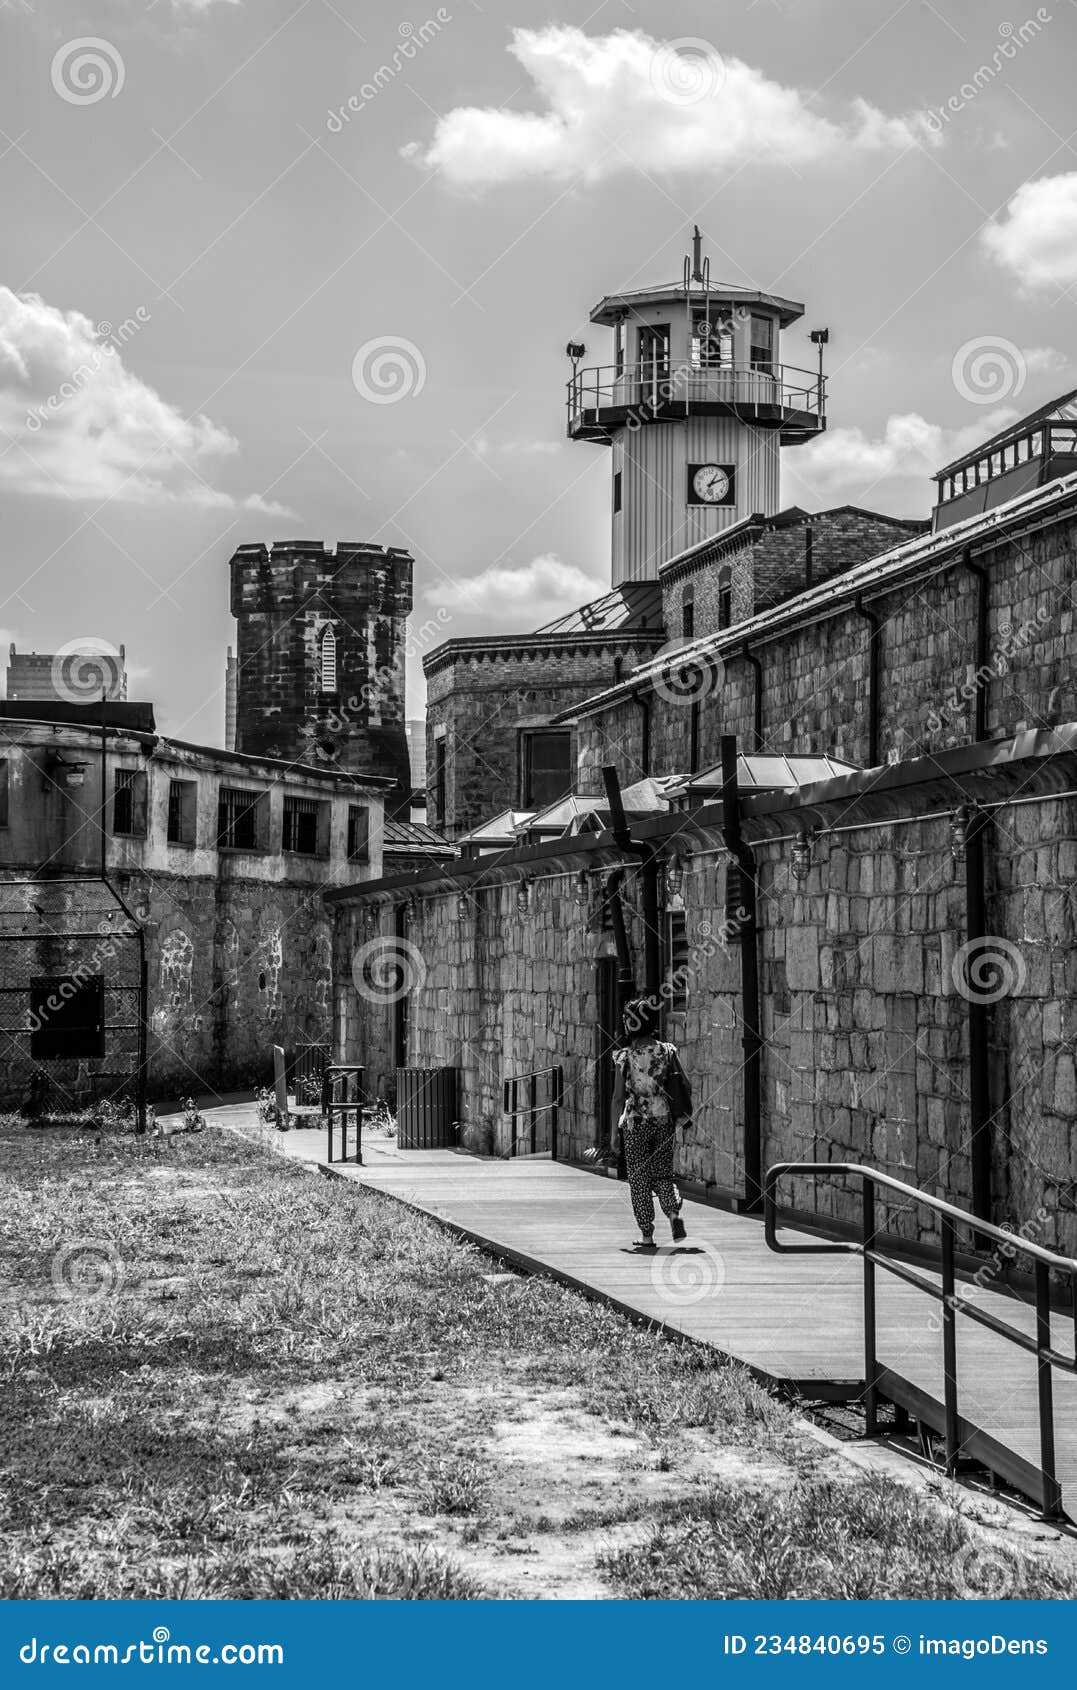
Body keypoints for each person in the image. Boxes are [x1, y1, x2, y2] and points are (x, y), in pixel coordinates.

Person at [604, 995, 690, 1250]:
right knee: (663, 1175)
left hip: (635, 1123)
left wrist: (612, 1135)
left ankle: (647, 1235)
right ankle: (674, 1213)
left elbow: (618, 1097)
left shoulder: (625, 1056)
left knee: (639, 1179)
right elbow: (684, 1083)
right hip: (663, 1120)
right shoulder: (667, 1050)